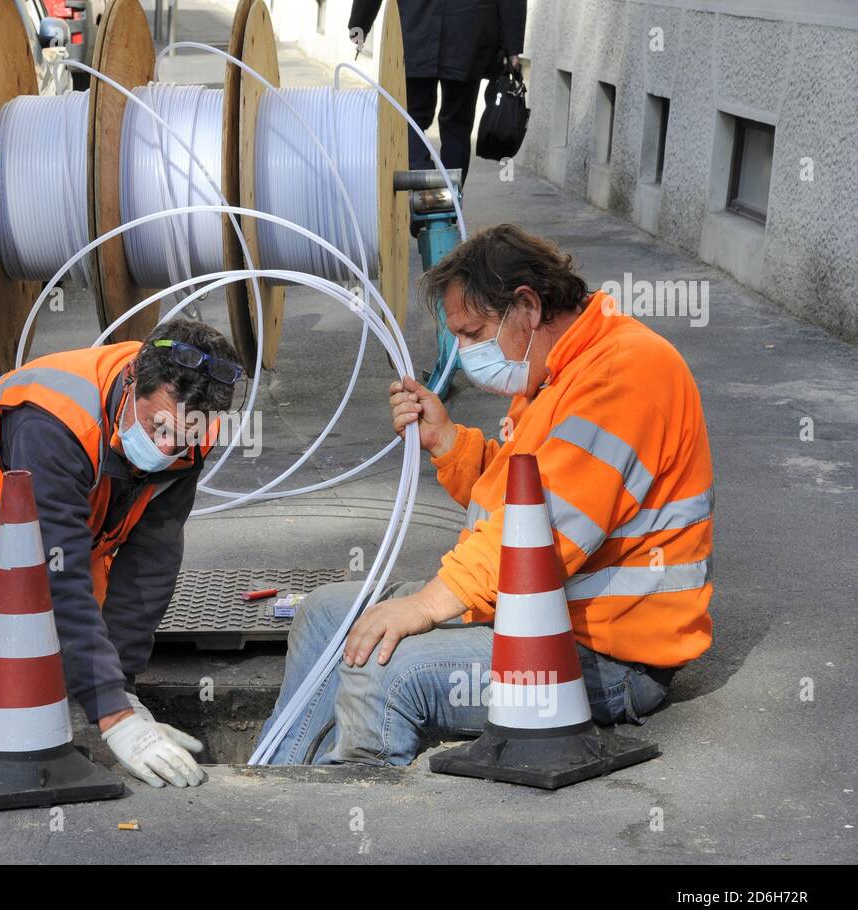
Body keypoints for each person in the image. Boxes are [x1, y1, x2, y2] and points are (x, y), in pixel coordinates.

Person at [260, 225, 715, 765]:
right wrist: (448, 441)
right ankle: (276, 780)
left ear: (526, 305)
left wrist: (426, 607)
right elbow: (524, 491)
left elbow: (540, 536)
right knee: (324, 615)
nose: (463, 352)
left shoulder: (624, 373)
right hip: (541, 613)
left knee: (380, 672)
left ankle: (356, 821)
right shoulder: (561, 368)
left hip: (608, 655)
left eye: (473, 332)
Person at [0, 317, 244, 789]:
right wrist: (114, 719)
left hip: (57, 534)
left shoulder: (189, 429)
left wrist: (125, 690)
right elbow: (61, 576)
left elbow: (151, 561)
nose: (166, 447)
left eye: (182, 436)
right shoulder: (52, 422)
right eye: (157, 426)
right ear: (133, 378)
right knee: (11, 688)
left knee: (82, 668)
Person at [349, 0, 526, 180]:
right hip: (469, 32)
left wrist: (360, 23)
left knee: (410, 117)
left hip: (417, 29)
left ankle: (427, 187)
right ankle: (447, 197)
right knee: (457, 125)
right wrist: (512, 46)